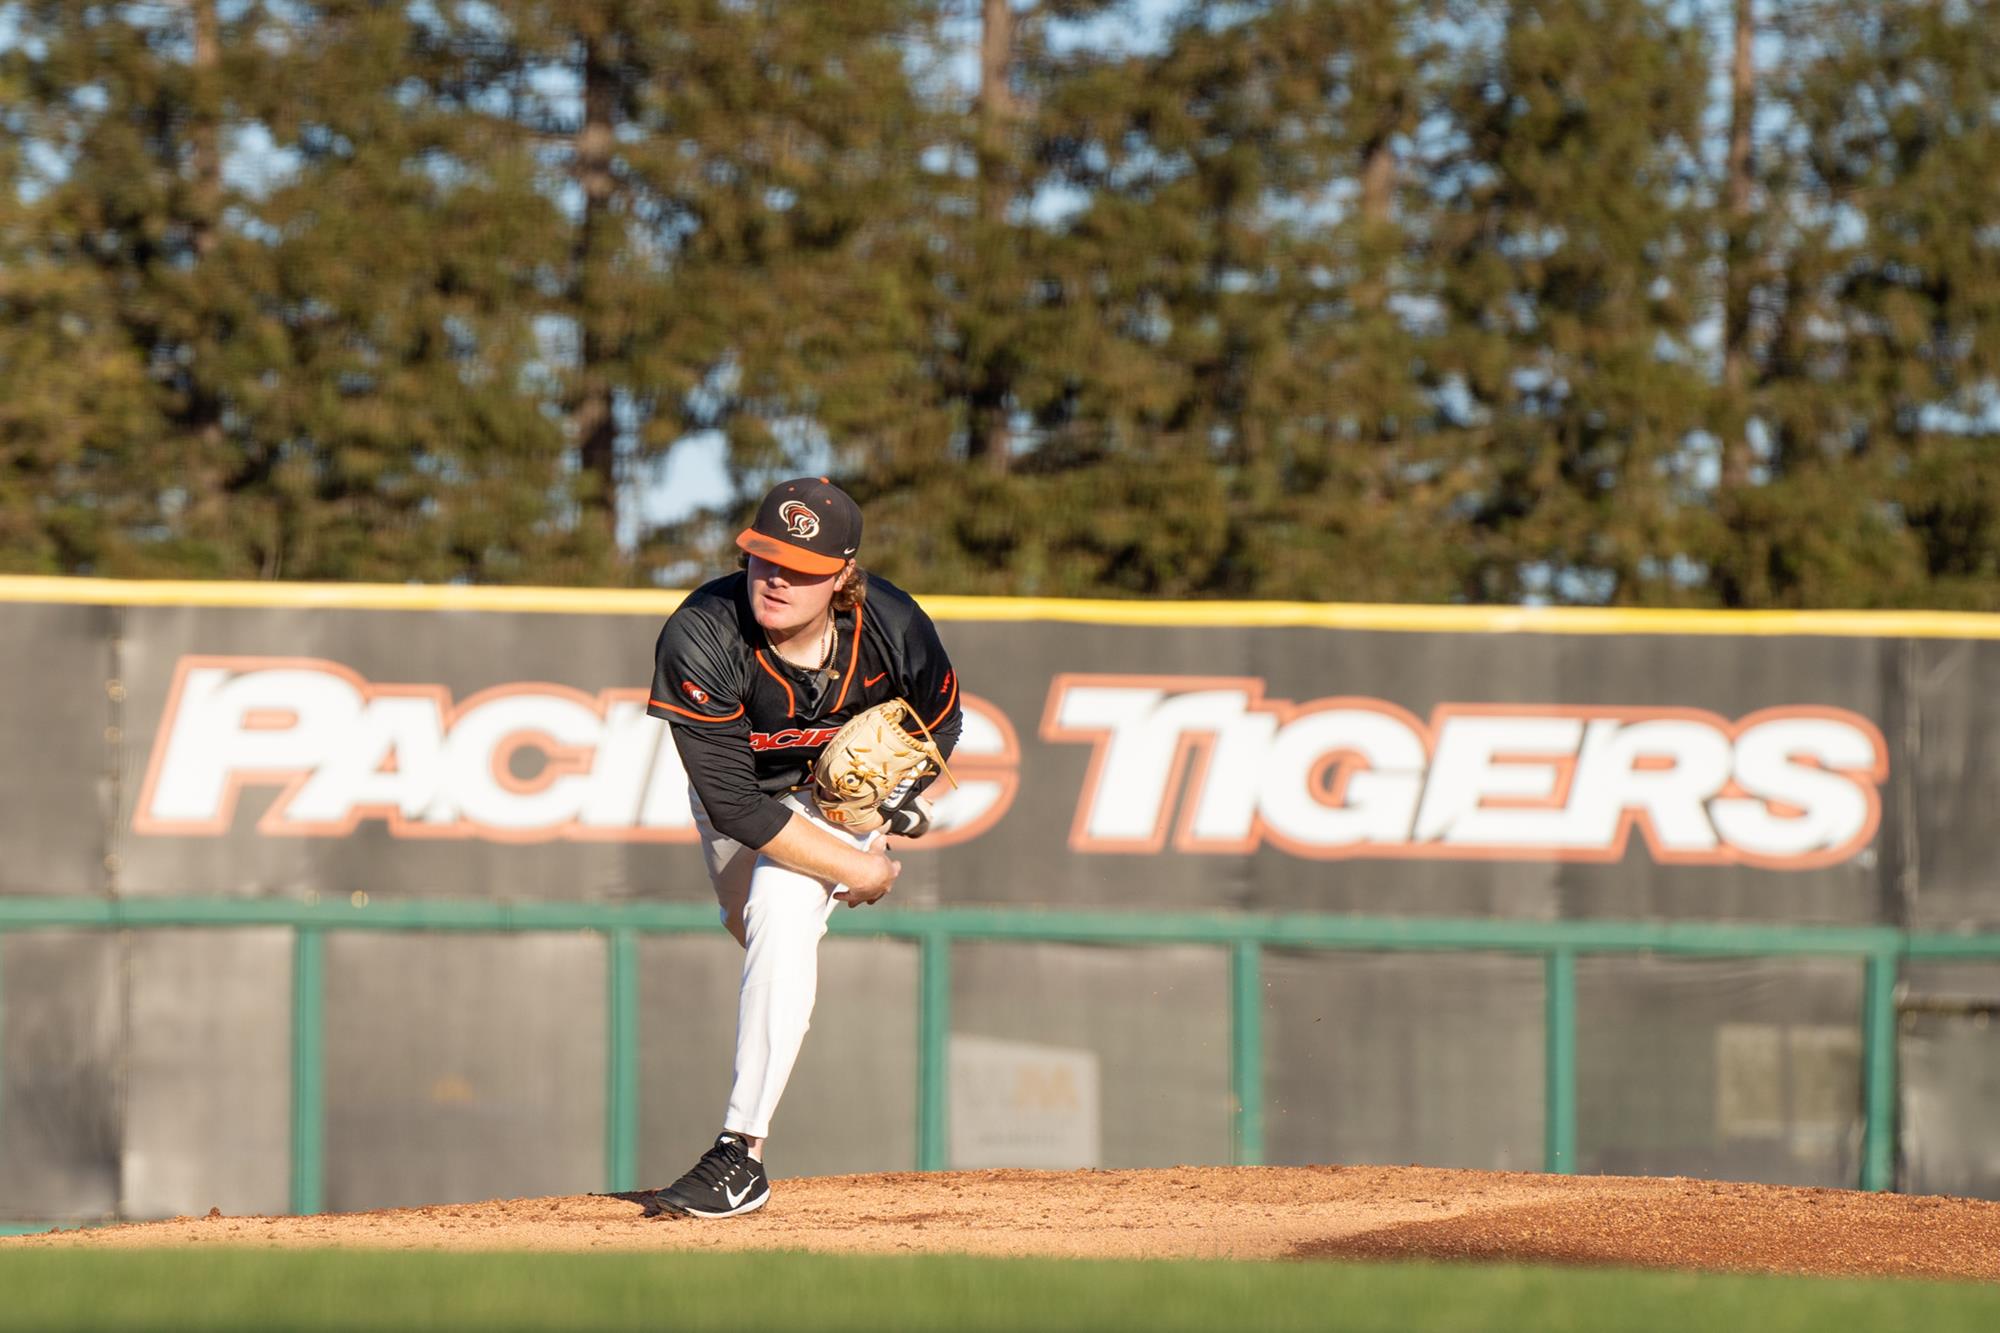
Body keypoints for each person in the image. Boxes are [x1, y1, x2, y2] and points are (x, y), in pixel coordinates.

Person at [638, 476, 962, 1218]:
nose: (776, 576)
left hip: (835, 798)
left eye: (803, 566)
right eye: (764, 556)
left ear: (843, 575)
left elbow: (942, 723)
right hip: (743, 806)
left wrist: (892, 801)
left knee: (782, 907)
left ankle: (738, 1154)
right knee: (752, 923)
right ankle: (739, 1145)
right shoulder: (703, 631)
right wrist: (862, 867)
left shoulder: (893, 624)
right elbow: (733, 803)